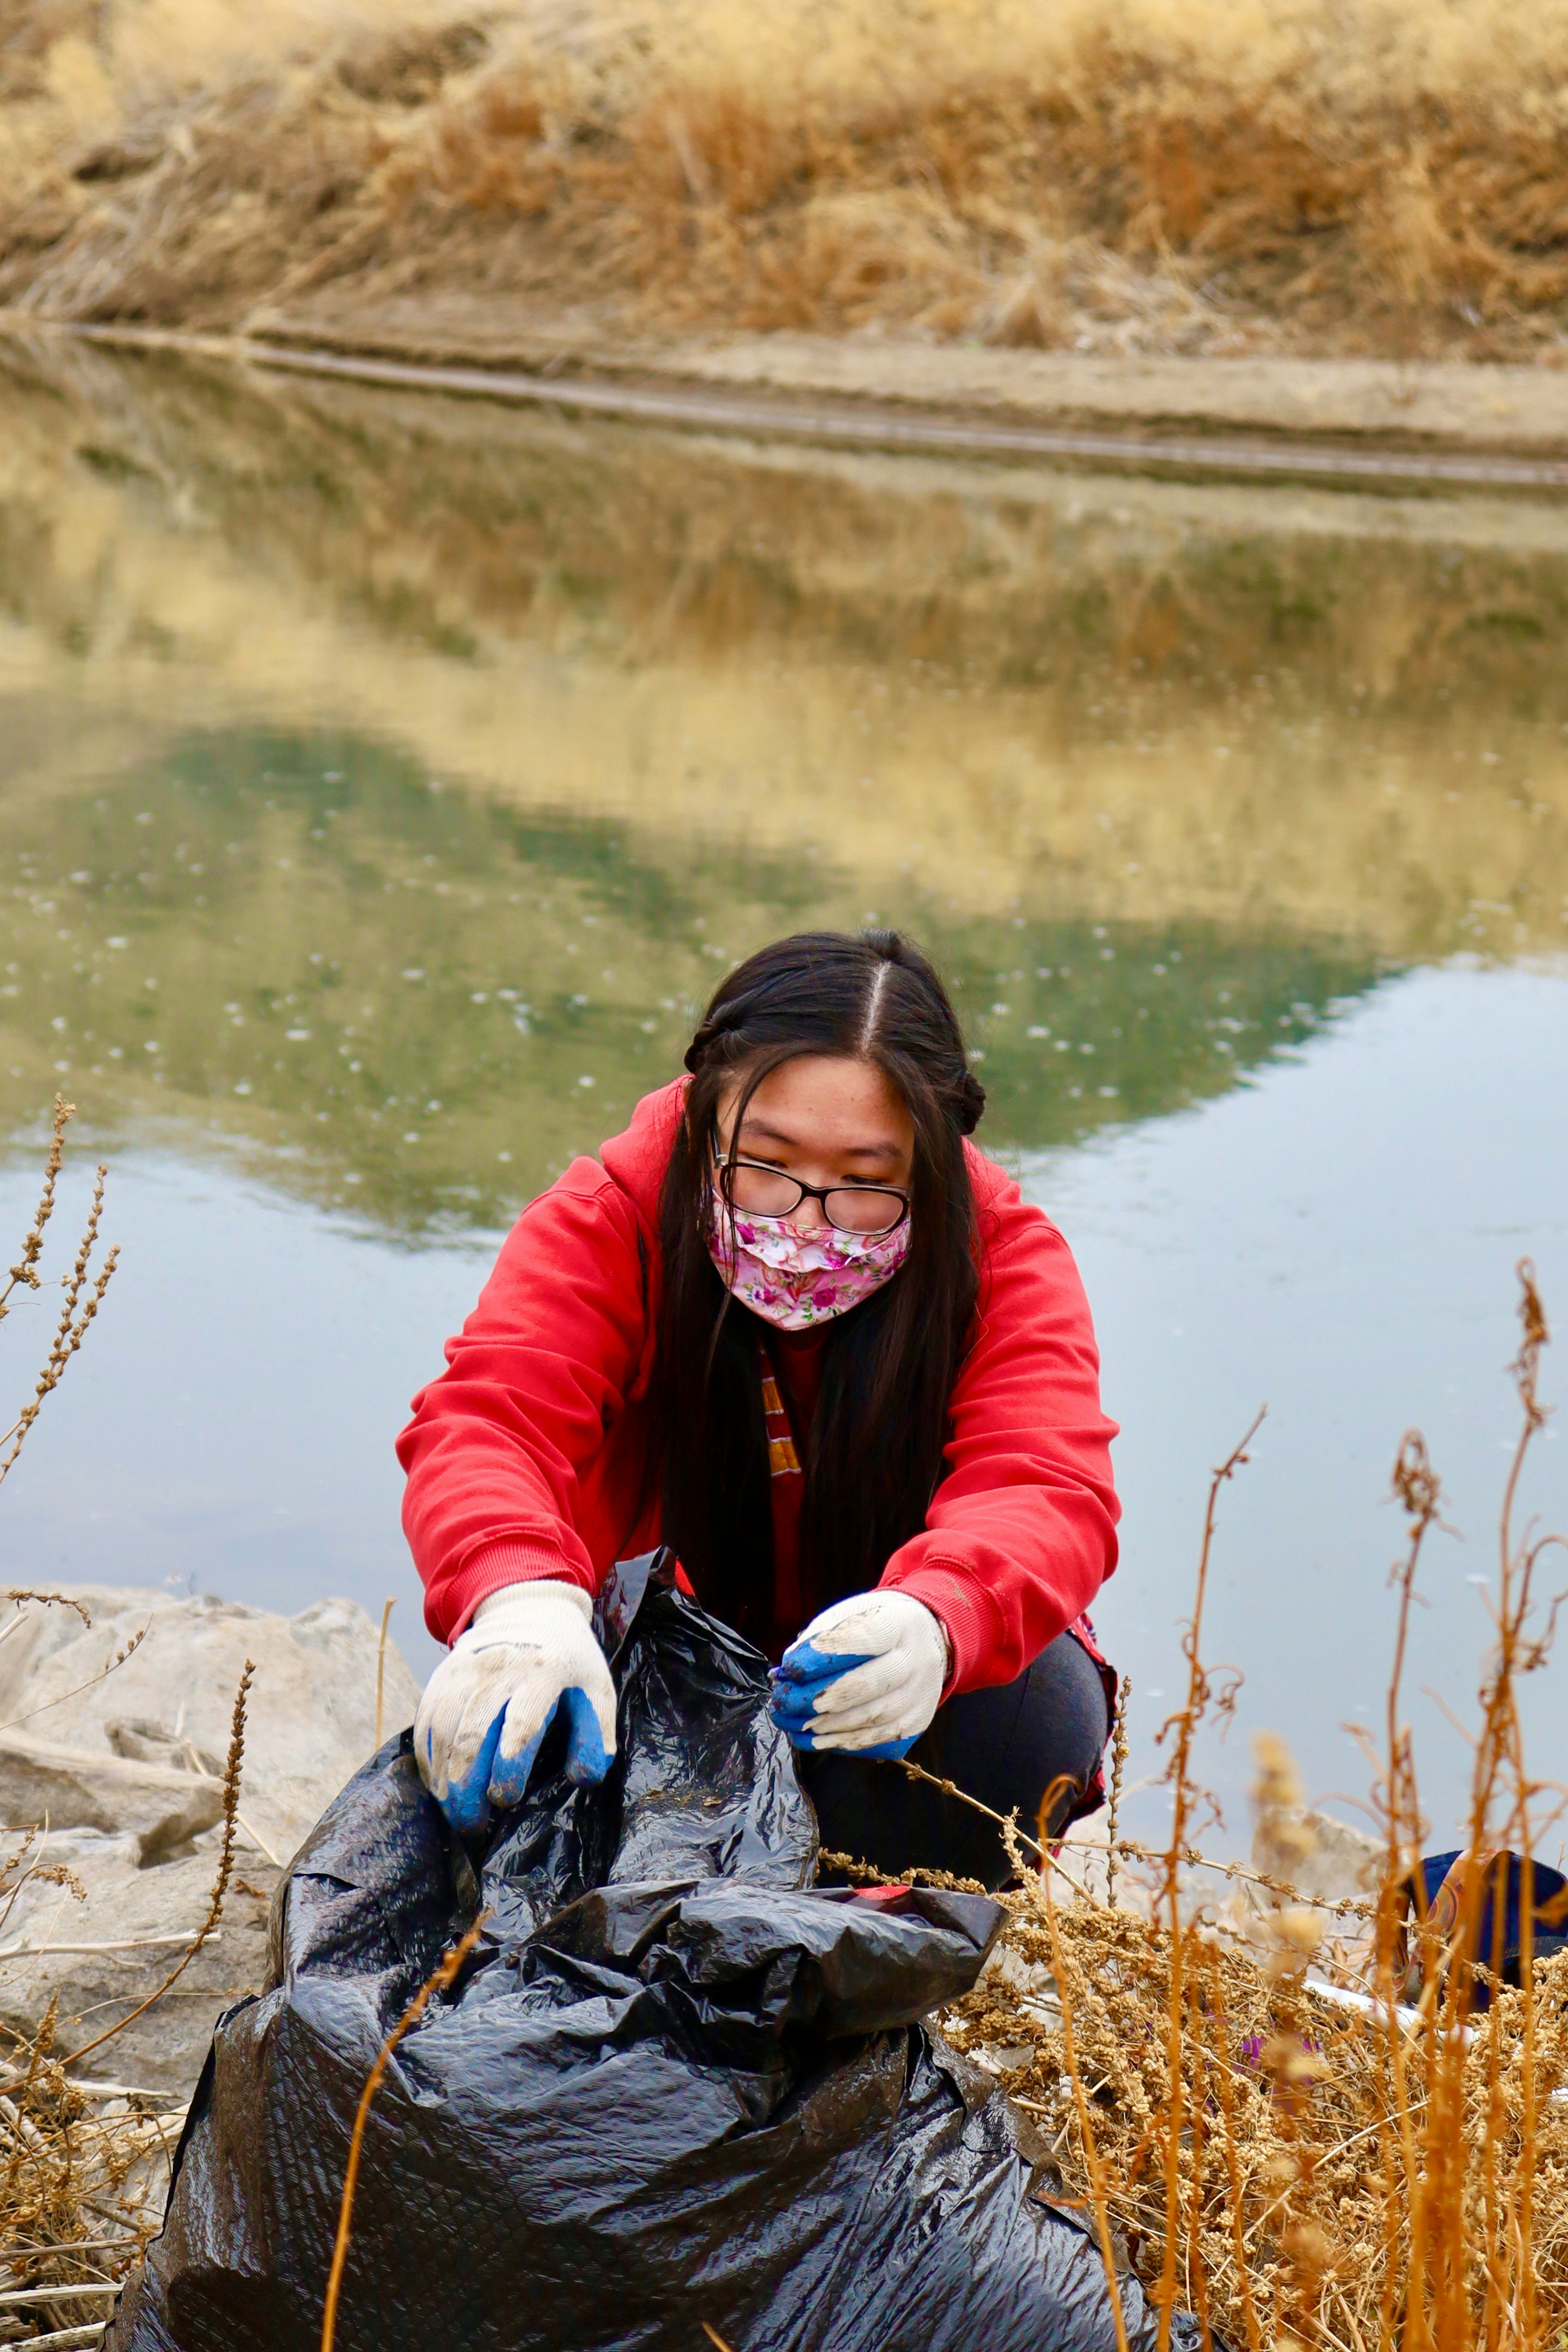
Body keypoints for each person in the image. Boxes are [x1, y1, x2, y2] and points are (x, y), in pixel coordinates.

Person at [400, 929, 1119, 1888]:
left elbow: (1045, 1480)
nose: (804, 1225)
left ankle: (876, 1925)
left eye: (866, 1184)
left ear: (933, 1165)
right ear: (708, 1114)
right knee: (523, 1713)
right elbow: (493, 1419)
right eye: (764, 1164)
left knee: (1039, 1716)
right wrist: (521, 1597)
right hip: (660, 1652)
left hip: (877, 1677)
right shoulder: (620, 1211)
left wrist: (940, 1618)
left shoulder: (999, 1255)